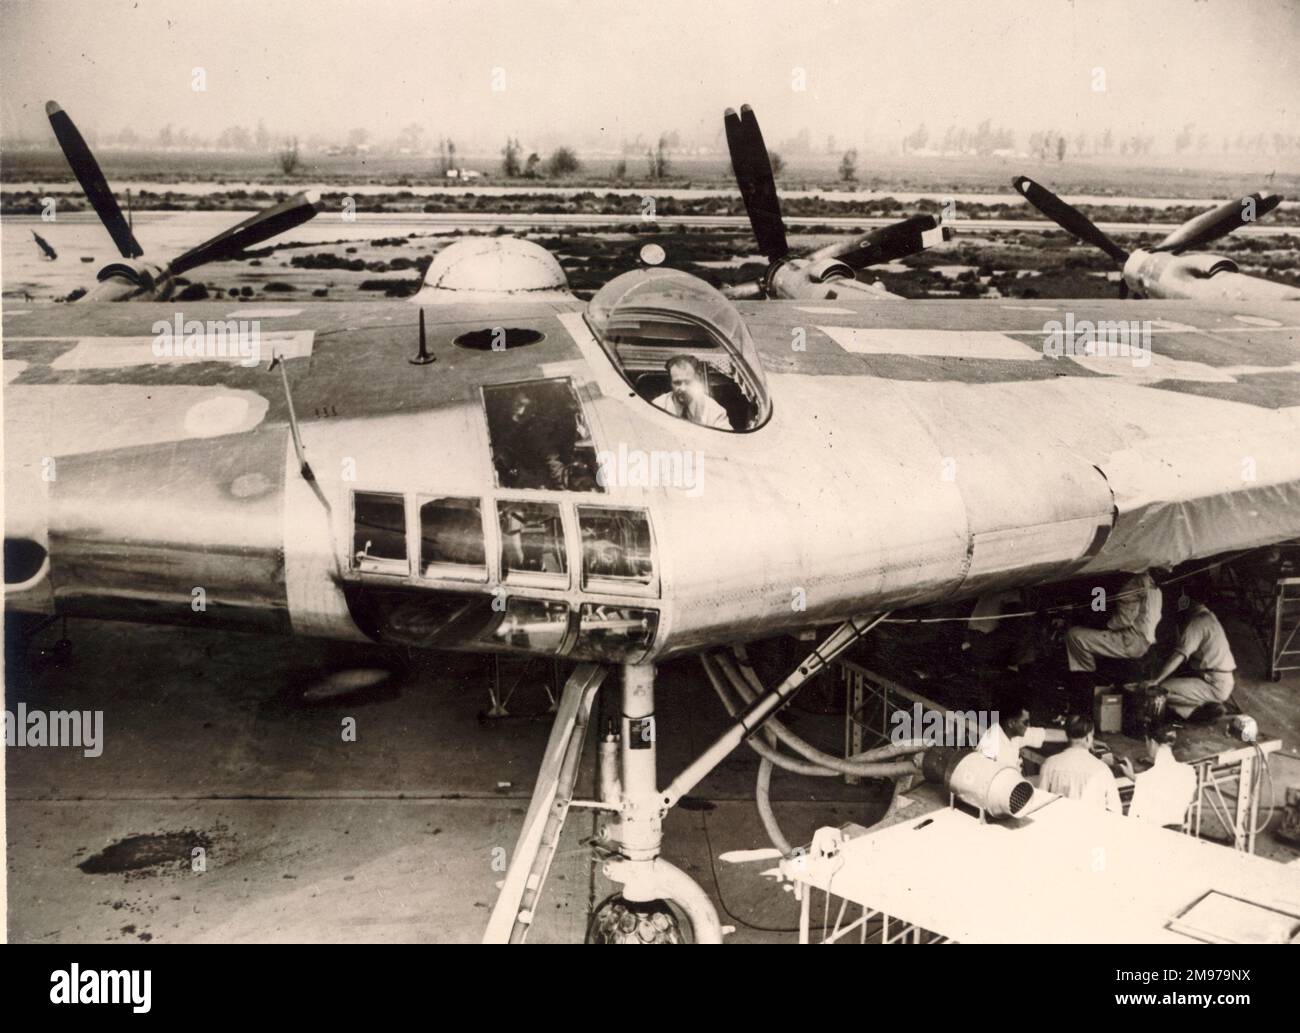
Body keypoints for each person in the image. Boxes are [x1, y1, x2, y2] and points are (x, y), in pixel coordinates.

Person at [1141, 593, 1236, 721]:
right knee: (1175, 682)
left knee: (1161, 690)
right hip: (1221, 680)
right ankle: (1206, 703)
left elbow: (1179, 655)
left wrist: (1156, 680)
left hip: (1214, 684)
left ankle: (1201, 709)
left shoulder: (1197, 622)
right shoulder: (1209, 616)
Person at [1065, 570, 1162, 675]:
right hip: (1144, 642)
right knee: (1093, 639)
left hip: (1130, 641)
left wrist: (1103, 625)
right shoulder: (1155, 589)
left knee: (1074, 635)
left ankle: (1085, 677)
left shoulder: (1137, 582)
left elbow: (1124, 620)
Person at [1119, 721, 1197, 829]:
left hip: (1154, 837)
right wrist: (1134, 777)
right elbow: (1163, 782)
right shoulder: (1188, 772)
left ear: (1152, 742)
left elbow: (1135, 820)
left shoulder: (1147, 780)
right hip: (1176, 835)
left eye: (1146, 741)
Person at [1038, 715, 1122, 813]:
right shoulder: (1102, 769)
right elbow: (1116, 811)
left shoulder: (1049, 764)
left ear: (1067, 735)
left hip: (1059, 826)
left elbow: (1040, 805)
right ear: (1088, 738)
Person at [977, 703, 1066, 773]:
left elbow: (1045, 734)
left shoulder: (1012, 733)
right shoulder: (991, 744)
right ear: (1011, 723)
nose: (1029, 726)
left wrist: (1075, 735)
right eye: (1025, 722)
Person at [652, 354, 732, 429]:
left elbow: (727, 441)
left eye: (688, 382)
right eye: (677, 383)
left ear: (698, 380)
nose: (683, 388)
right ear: (670, 382)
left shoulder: (714, 411)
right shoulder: (657, 407)